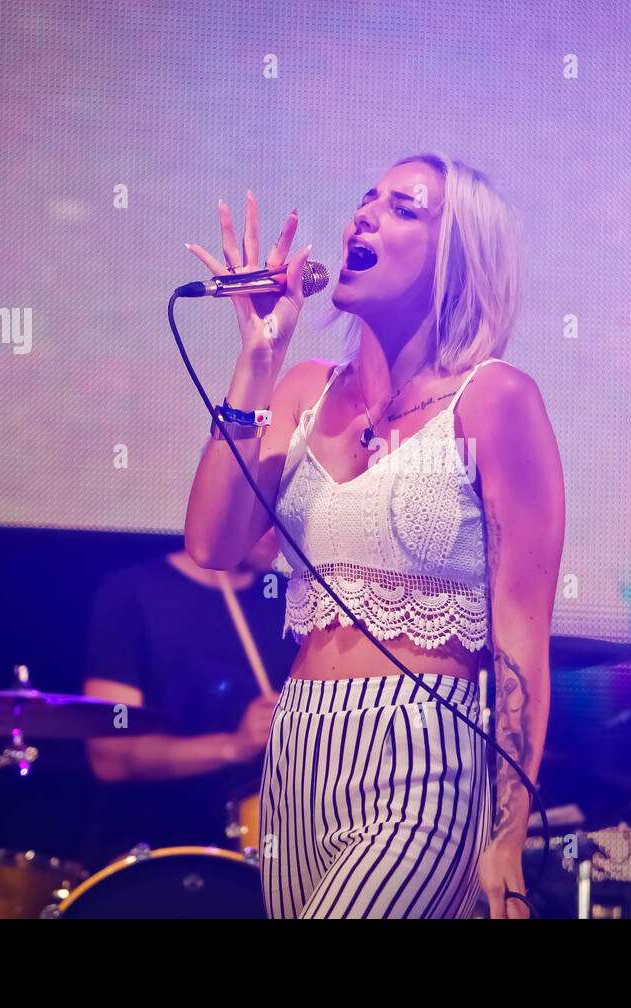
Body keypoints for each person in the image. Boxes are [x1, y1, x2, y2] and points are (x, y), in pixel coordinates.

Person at [184, 152, 565, 919]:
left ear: (456, 257)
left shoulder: (495, 401)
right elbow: (212, 545)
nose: (364, 215)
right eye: (367, 200)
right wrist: (257, 359)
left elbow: (522, 641)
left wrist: (509, 837)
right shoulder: (300, 389)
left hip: (426, 752)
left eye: (403, 207)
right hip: (299, 751)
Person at [80, 529, 297, 870]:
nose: (276, 529)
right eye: (265, 511)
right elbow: (110, 757)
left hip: (263, 857)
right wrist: (233, 746)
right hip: (150, 856)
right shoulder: (133, 592)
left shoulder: (293, 598)